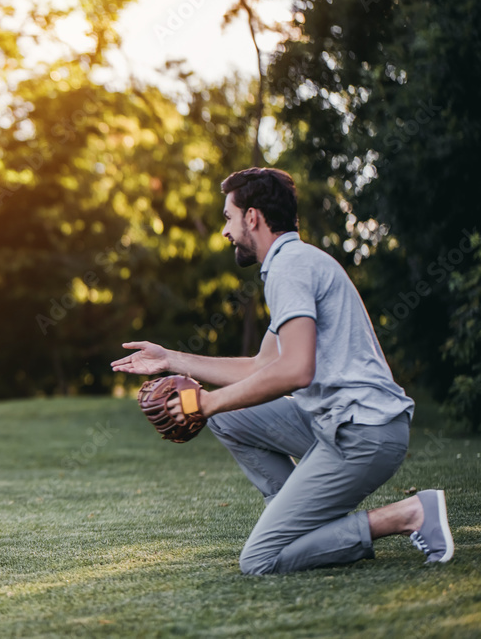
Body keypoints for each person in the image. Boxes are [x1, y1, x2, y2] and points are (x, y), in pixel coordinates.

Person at [112, 167, 454, 575]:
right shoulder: (294, 261)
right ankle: (299, 523)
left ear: (252, 217)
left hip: (363, 432)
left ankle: (409, 514)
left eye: (228, 217)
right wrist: (171, 359)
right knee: (229, 418)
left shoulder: (289, 267)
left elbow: (295, 371)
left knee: (259, 560)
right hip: (339, 422)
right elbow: (262, 366)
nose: (225, 231)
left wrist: (206, 402)